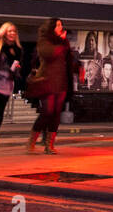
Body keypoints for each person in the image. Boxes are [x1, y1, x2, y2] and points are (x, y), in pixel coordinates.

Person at [26, 18, 79, 154]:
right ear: (51, 27)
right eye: (58, 25)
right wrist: (62, 42)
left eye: (61, 25)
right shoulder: (44, 40)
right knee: (47, 112)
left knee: (56, 114)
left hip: (61, 83)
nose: (61, 27)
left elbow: (68, 60)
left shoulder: (63, 42)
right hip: (48, 81)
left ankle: (50, 145)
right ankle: (31, 142)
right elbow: (50, 53)